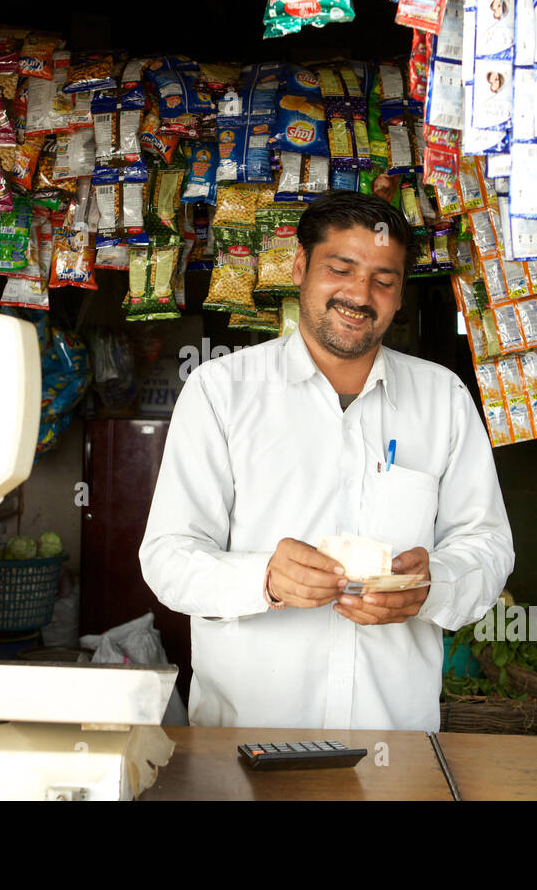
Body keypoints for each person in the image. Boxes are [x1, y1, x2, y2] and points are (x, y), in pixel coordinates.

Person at [139, 190, 515, 731]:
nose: (360, 295)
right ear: (299, 267)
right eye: (341, 269)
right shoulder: (222, 391)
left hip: (395, 744)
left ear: (399, 293)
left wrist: (437, 585)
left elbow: (489, 545)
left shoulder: (443, 399)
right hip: (247, 741)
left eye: (383, 280)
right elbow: (168, 557)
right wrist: (263, 577)